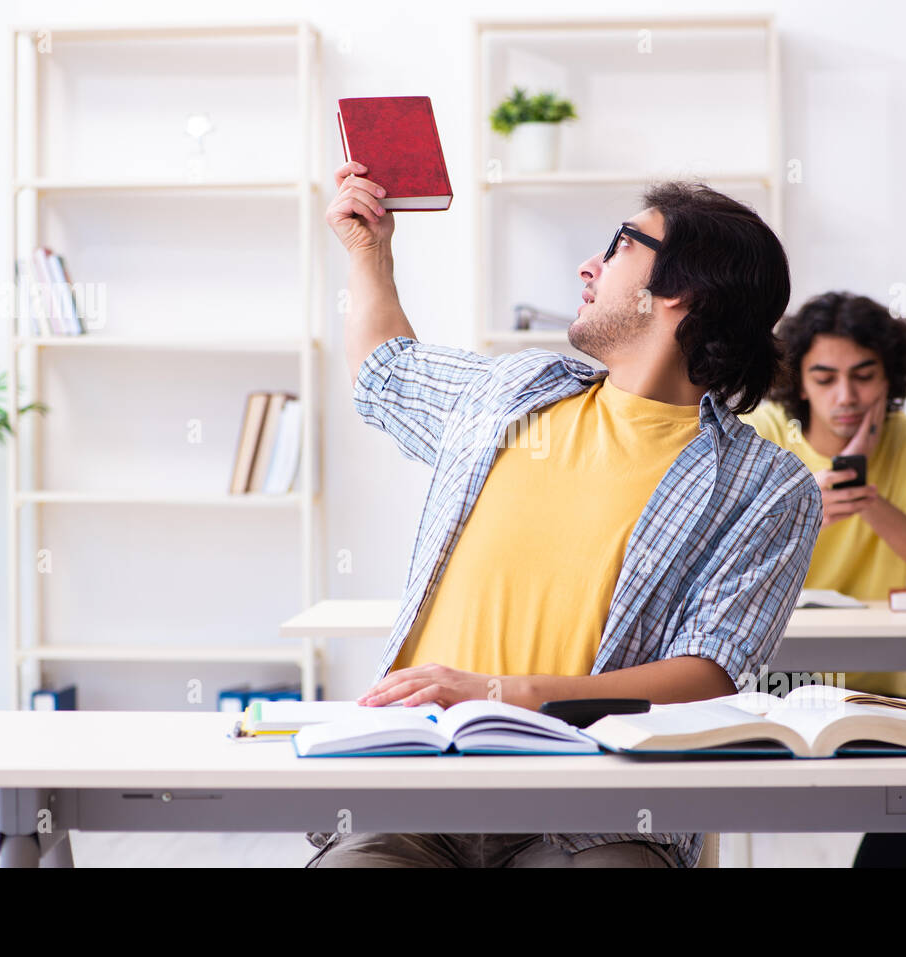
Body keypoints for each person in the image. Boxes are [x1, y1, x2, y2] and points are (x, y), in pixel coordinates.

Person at [305, 162, 821, 868]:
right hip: (418, 786)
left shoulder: (765, 484)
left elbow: (711, 671)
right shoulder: (516, 390)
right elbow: (384, 369)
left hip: (598, 810)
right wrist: (370, 253)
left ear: (682, 293)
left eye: (621, 246)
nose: (589, 266)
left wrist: (501, 694)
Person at [739, 290, 906, 867]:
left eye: (863, 376)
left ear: (889, 377)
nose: (845, 397)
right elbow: (723, 565)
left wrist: (871, 503)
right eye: (824, 378)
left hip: (881, 690)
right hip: (774, 682)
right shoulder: (764, 431)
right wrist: (803, 511)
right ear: (798, 382)